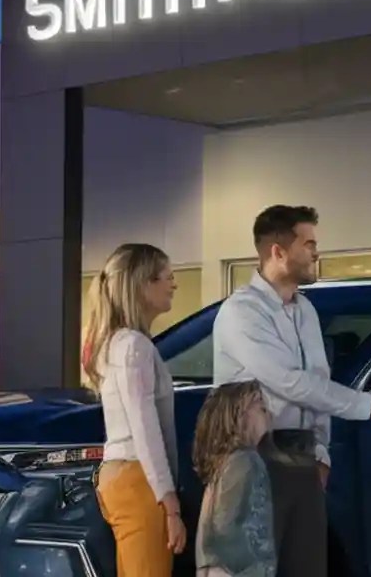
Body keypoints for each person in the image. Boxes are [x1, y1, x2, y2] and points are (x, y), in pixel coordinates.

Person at [213, 204, 371, 577]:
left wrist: (321, 453)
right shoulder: (242, 312)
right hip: (256, 459)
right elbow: (290, 382)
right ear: (278, 251)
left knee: (306, 567)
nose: (316, 253)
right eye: (308, 244)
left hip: (302, 458)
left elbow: (318, 381)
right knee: (255, 568)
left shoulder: (305, 310)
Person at [85, 244, 185, 577]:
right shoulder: (134, 346)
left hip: (122, 477)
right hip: (139, 480)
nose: (174, 284)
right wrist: (169, 502)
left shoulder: (116, 343)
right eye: (167, 277)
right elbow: (145, 429)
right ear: (143, 284)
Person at [193, 380, 278, 577]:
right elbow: (224, 525)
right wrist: (260, 566)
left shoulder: (227, 461)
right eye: (260, 405)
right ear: (239, 417)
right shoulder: (245, 461)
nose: (269, 412)